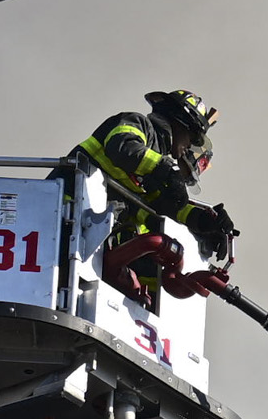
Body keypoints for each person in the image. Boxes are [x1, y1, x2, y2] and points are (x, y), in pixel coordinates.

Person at [70, 88, 239, 307]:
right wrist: (167, 170)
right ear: (180, 122)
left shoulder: (154, 160)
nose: (189, 146)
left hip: (86, 233)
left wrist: (205, 222)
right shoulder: (138, 124)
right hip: (66, 213)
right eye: (192, 137)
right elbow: (122, 146)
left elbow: (162, 206)